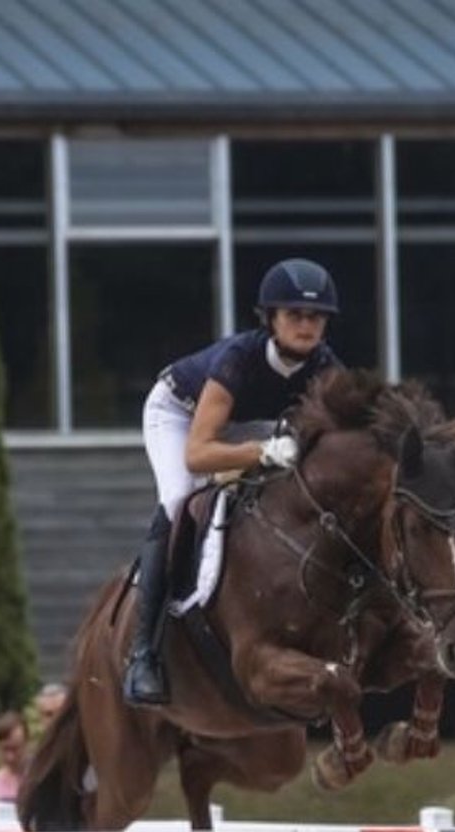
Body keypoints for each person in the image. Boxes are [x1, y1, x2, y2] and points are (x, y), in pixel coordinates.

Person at [122, 258, 345, 707]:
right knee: (180, 497)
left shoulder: (325, 367)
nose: (306, 325)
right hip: (181, 416)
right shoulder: (238, 359)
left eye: (316, 317)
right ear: (270, 319)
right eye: (295, 315)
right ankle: (143, 653)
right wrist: (260, 453)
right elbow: (200, 453)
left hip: (250, 426)